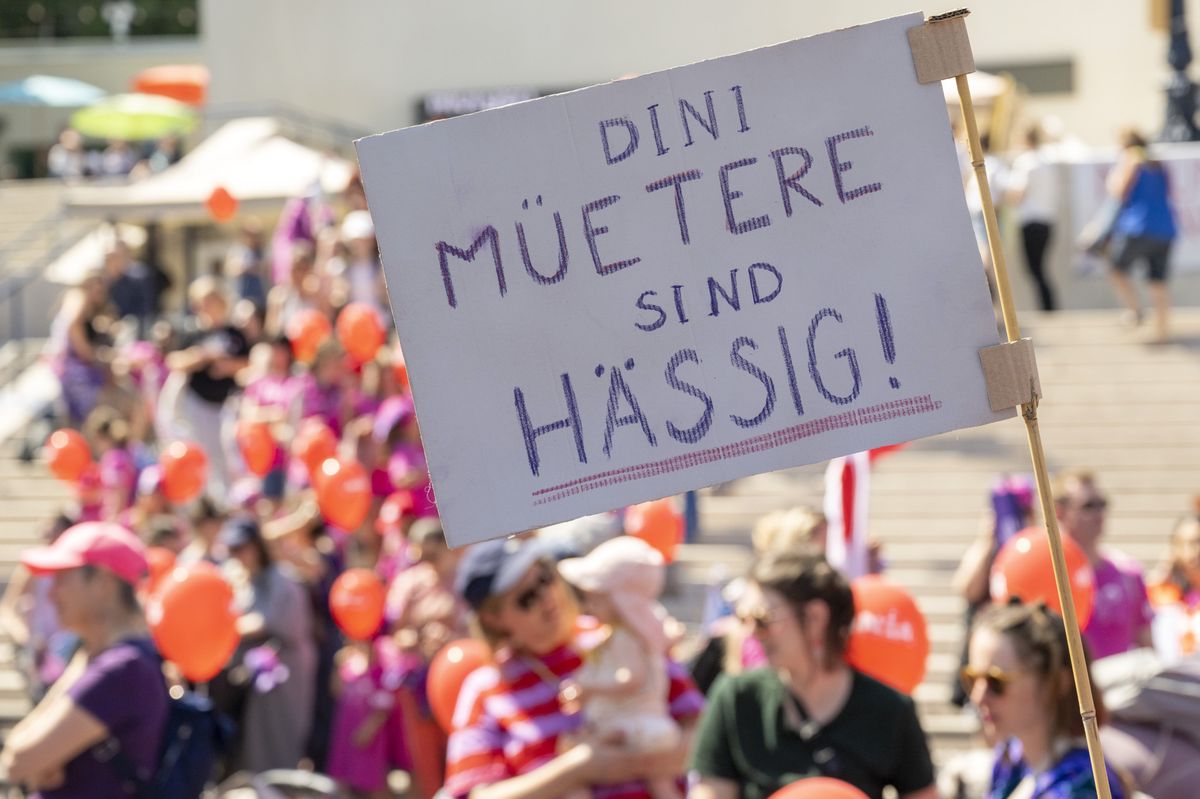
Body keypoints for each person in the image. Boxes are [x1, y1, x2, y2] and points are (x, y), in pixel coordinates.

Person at [443, 535, 704, 799]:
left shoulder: (624, 636)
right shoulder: (485, 689)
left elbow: (703, 732)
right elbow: (476, 794)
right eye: (527, 597)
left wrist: (632, 762)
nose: (547, 597)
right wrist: (578, 769)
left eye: (545, 578)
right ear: (494, 618)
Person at [689, 548, 936, 799]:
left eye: (762, 618)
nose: (751, 633)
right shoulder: (736, 697)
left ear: (815, 617)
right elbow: (710, 792)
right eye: (744, 619)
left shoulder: (890, 709)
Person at [0, 522, 168, 798]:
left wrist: (37, 760)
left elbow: (18, 761)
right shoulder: (105, 658)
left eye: (62, 578)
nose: (52, 593)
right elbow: (19, 759)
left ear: (103, 582)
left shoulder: (123, 669)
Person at [557, 536, 683, 799]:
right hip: (653, 725)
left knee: (574, 754)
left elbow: (630, 678)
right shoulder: (638, 631)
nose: (589, 607)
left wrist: (588, 687)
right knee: (661, 783)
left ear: (619, 599)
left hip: (630, 726)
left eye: (595, 599)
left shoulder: (625, 637)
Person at [964, 601, 1125, 798]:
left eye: (996, 681)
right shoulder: (1010, 758)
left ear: (1054, 682)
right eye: (972, 678)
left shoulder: (1082, 786)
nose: (977, 697)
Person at [220, 516, 317, 774]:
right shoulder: (243, 580)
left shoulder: (282, 579)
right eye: (233, 550)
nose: (238, 555)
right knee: (254, 747)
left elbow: (274, 622)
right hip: (254, 681)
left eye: (243, 547)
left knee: (279, 744)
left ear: (257, 546)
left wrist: (225, 629)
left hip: (284, 676)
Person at [162, 277, 250, 502]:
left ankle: (234, 498)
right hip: (199, 405)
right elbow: (173, 361)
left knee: (231, 454)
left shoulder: (234, 334)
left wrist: (229, 366)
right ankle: (210, 501)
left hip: (229, 404)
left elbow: (251, 362)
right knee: (205, 455)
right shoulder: (192, 334)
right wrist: (200, 357)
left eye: (211, 301)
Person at [1052, 469, 1153, 659]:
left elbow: (1146, 643)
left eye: (1102, 504)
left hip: (1120, 683)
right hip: (1071, 686)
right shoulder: (1049, 575)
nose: (1099, 513)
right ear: (1060, 512)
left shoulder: (1128, 573)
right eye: (1089, 506)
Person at [1104, 129, 1178, 343]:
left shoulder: (1130, 159)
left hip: (1138, 227)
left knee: (1116, 268)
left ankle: (1135, 311)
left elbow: (1118, 191)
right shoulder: (1158, 163)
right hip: (1165, 228)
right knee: (1158, 281)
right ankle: (1162, 332)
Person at [1007, 125, 1060, 311]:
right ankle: (1049, 306)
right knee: (1040, 267)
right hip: (1047, 219)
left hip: (1031, 220)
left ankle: (1048, 308)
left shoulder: (1025, 162)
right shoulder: (1047, 162)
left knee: (1034, 268)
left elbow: (1017, 193)